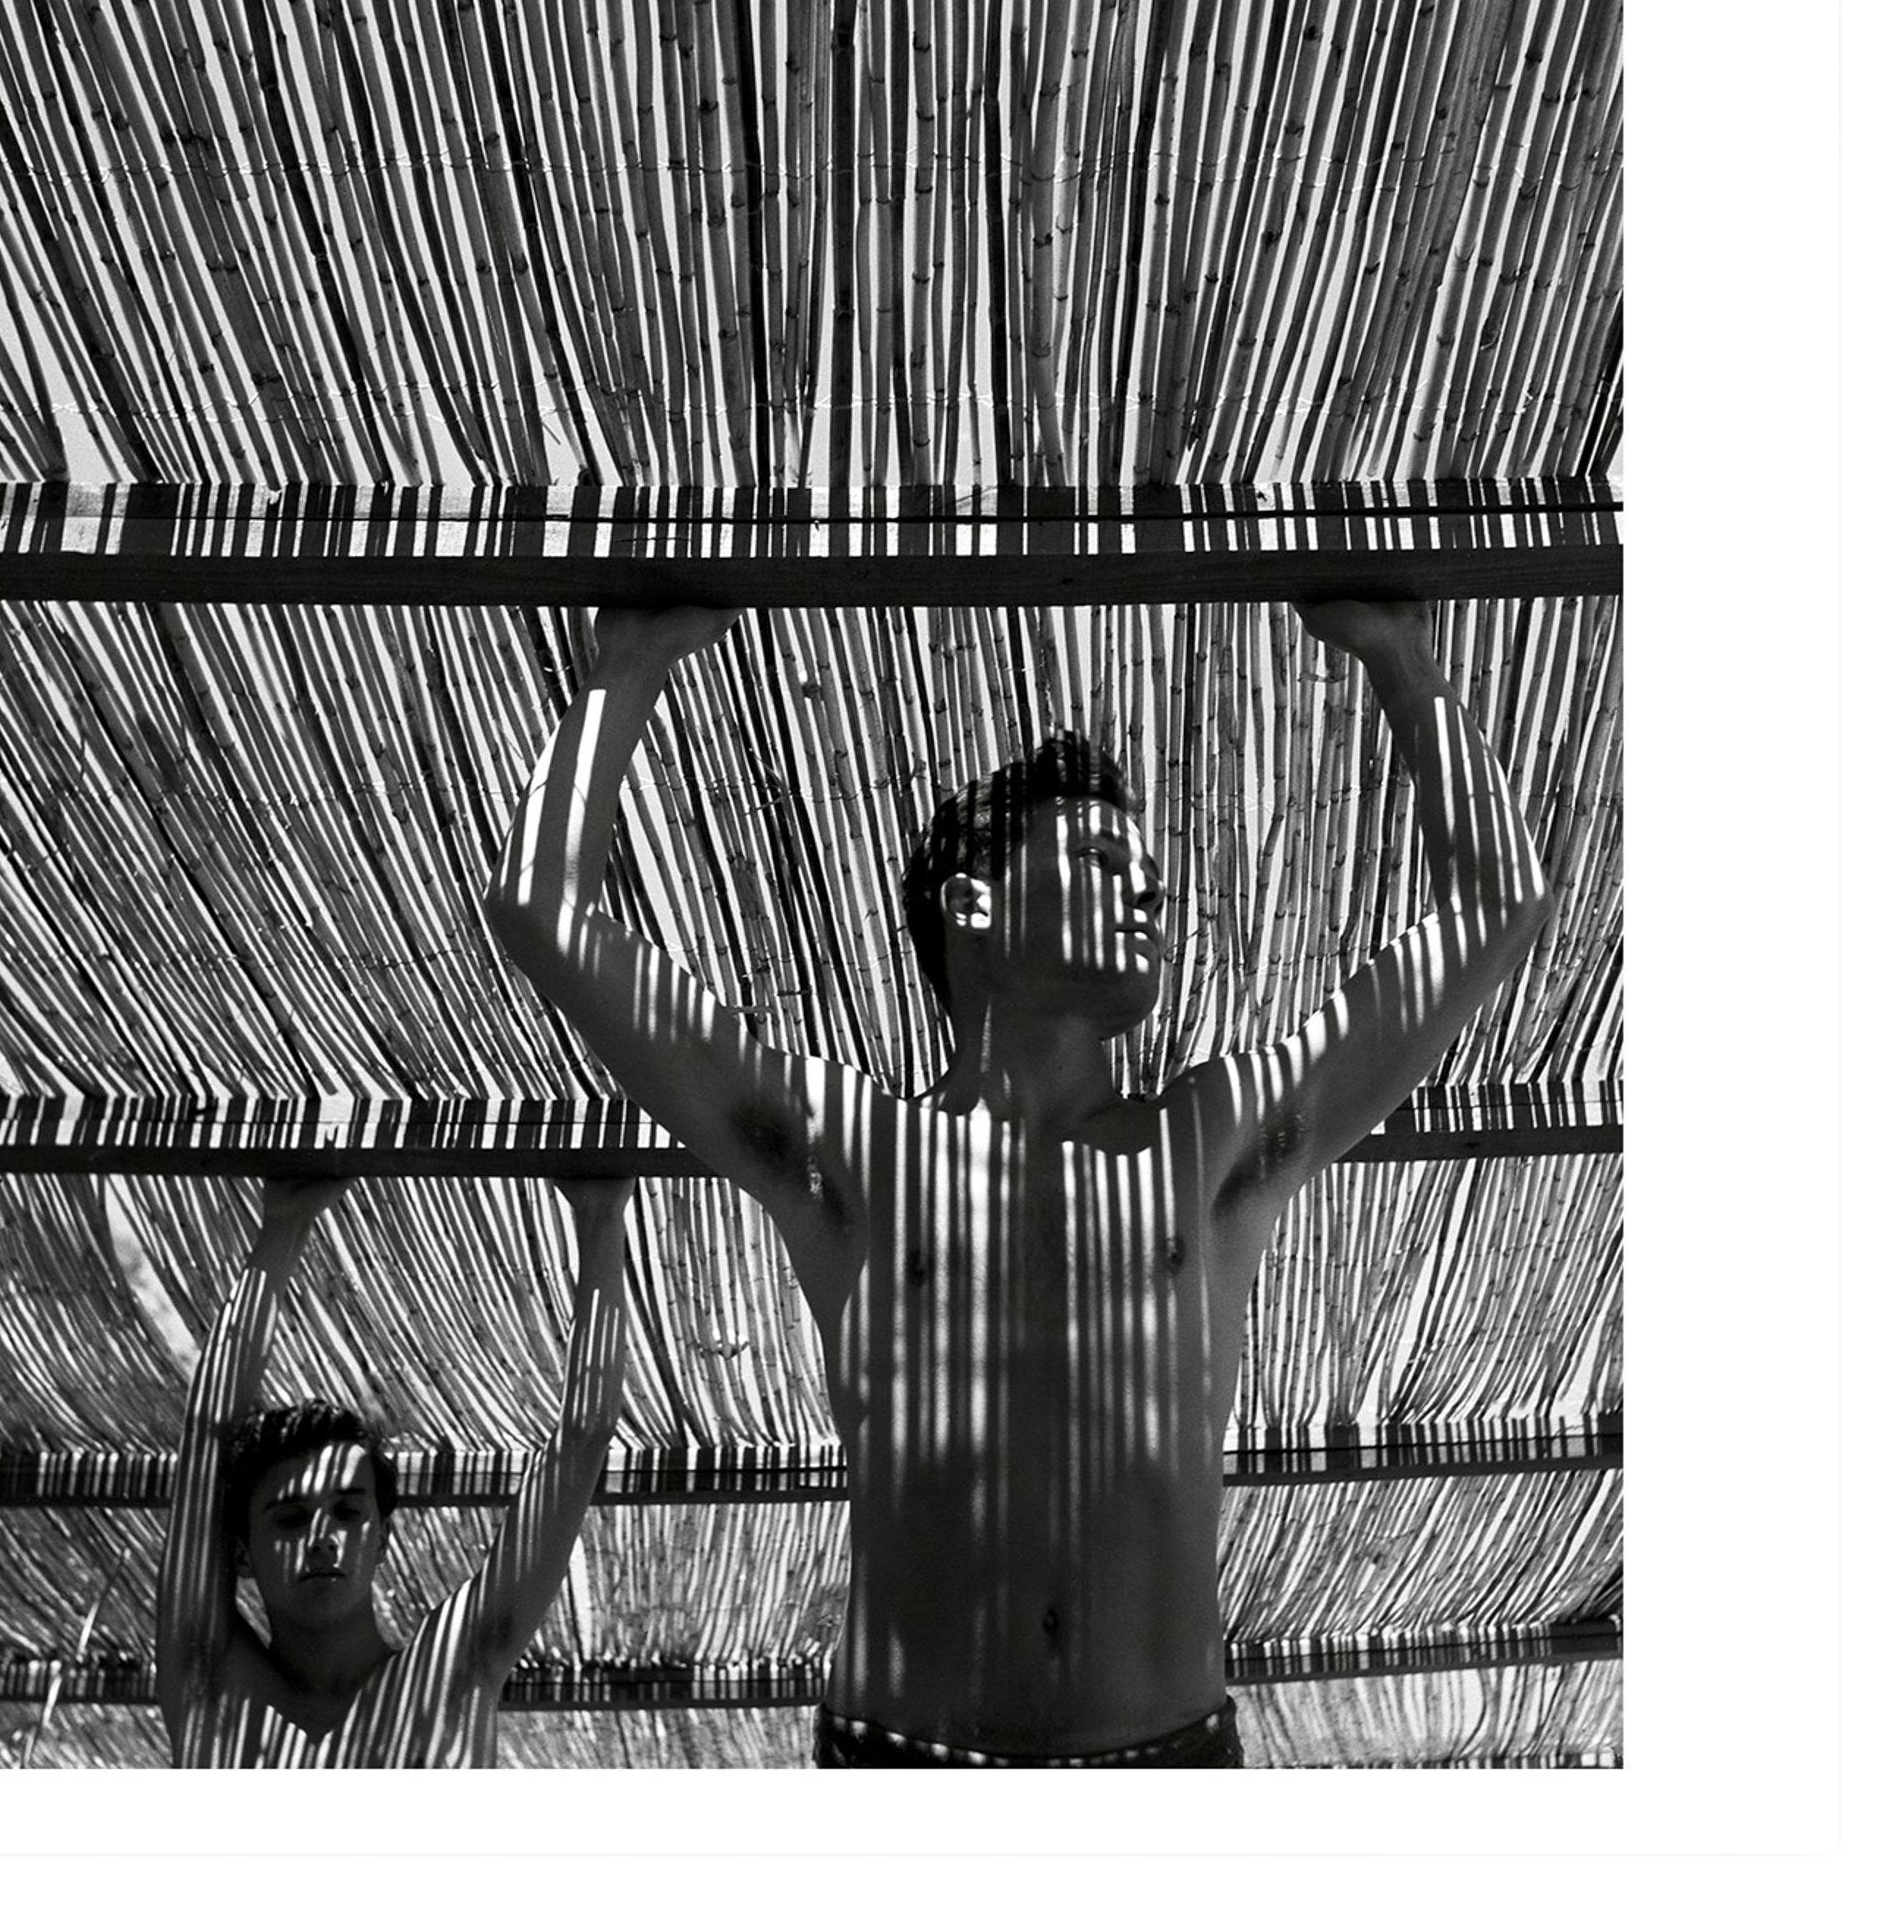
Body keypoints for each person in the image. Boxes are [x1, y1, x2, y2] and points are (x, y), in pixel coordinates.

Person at [484, 598, 1553, 1770]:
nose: (1148, 889)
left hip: (1167, 1766)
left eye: (1150, 869)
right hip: (906, 1765)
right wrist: (634, 658)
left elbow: (1498, 909)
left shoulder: (1208, 1138)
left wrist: (1398, 657)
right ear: (972, 902)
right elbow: (544, 910)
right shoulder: (855, 1149)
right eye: (1101, 857)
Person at [154, 1172, 635, 1766]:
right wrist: (283, 1225)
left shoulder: (450, 1673)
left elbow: (583, 1437)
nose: (323, 1538)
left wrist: (601, 1213)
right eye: (290, 1518)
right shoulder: (210, 1682)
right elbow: (206, 1437)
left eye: (348, 1511)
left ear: (382, 1536)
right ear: (243, 1553)